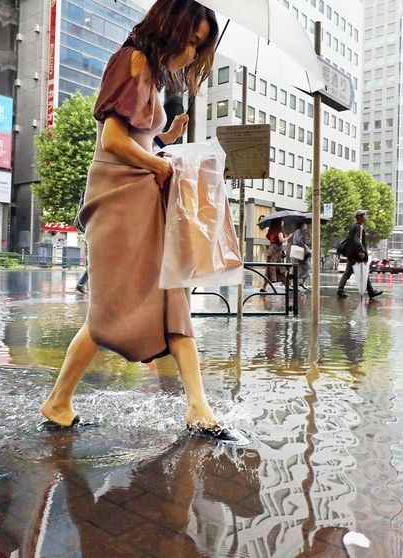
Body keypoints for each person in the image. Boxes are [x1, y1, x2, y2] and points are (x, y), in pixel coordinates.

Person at [39, 1, 238, 442]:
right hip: (120, 201)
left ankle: (197, 406)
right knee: (115, 308)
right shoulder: (132, 60)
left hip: (140, 200)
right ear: (170, 28)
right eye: (191, 40)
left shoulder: (145, 68)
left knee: (169, 297)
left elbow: (135, 136)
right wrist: (162, 165)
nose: (192, 53)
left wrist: (165, 140)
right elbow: (112, 140)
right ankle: (59, 402)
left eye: (199, 45)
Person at [337, 209, 384, 299]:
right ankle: (371, 291)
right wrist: (361, 251)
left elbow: (354, 239)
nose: (366, 217)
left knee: (348, 273)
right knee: (363, 272)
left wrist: (364, 237)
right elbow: (356, 240)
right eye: (364, 215)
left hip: (351, 254)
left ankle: (340, 290)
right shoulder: (359, 226)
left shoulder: (353, 226)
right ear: (359, 217)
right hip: (356, 254)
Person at [261, 219, 288, 292]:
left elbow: (268, 237)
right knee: (280, 269)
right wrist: (287, 237)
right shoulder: (279, 231)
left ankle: (263, 287)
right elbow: (282, 241)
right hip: (277, 251)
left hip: (271, 250)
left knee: (269, 268)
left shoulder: (271, 230)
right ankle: (287, 286)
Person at [290, 220, 311, 290]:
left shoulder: (298, 231)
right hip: (300, 252)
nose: (305, 225)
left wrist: (308, 239)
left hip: (297, 252)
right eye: (304, 224)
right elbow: (300, 241)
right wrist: (305, 247)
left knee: (298, 269)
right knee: (305, 268)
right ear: (301, 224)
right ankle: (296, 284)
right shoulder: (299, 231)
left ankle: (299, 283)